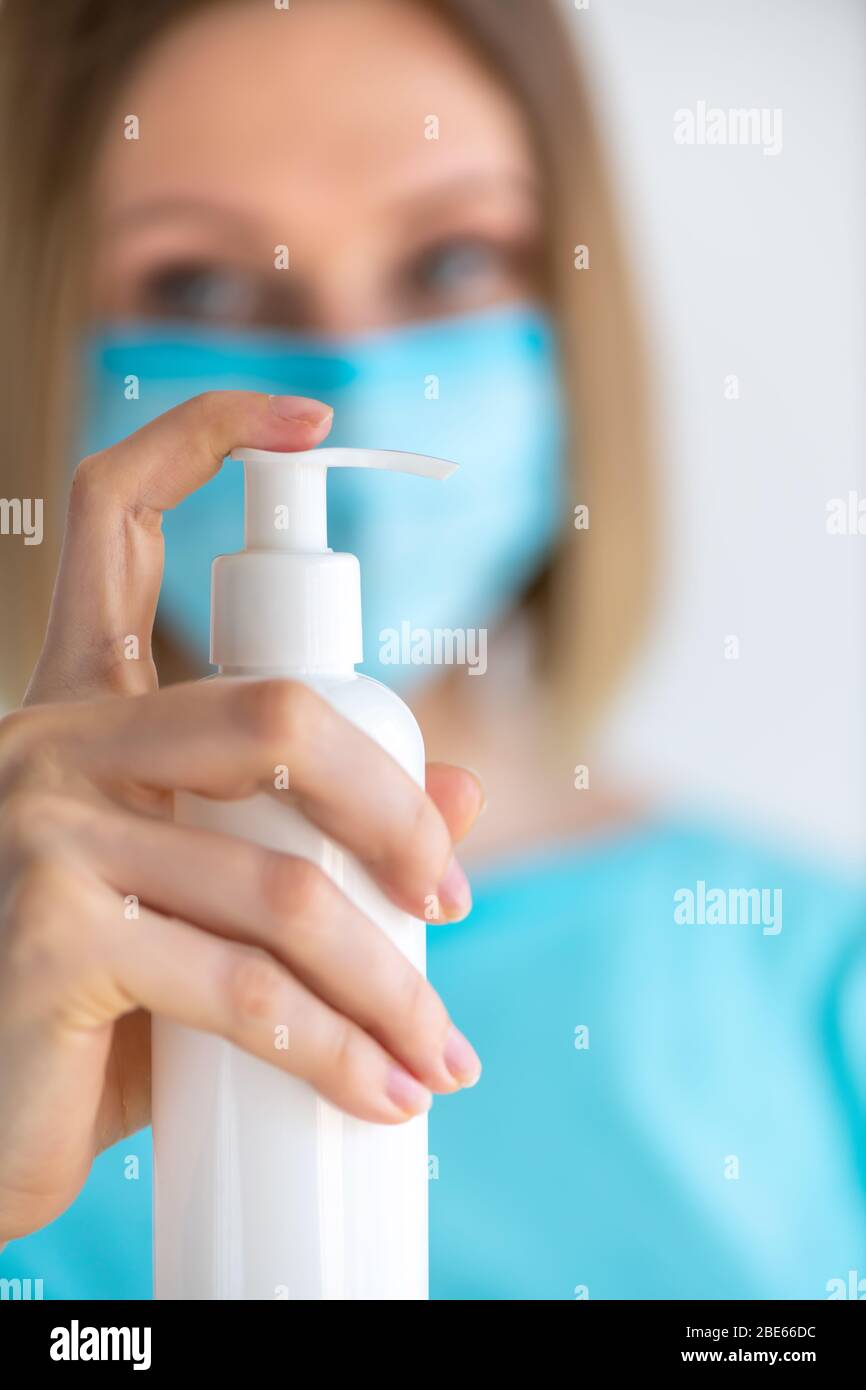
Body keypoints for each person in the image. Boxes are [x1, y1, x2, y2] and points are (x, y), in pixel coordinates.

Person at [1, 0, 864, 1301]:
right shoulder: (21, 989)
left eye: (453, 260)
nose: (346, 371)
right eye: (198, 281)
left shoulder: (811, 980)